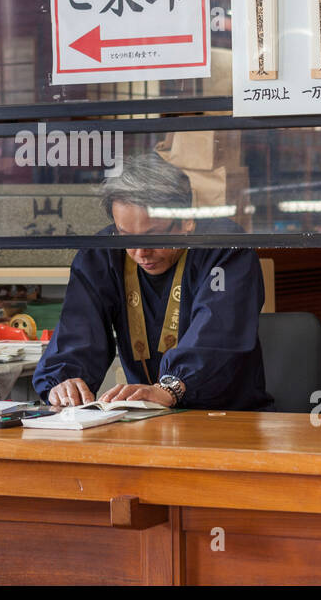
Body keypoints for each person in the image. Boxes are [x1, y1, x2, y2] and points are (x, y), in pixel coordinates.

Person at [32, 152, 272, 411]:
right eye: (126, 236)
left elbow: (219, 333)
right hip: (144, 417)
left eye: (153, 236)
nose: (140, 252)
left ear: (186, 220)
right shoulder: (103, 254)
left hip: (228, 416)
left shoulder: (224, 249)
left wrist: (171, 387)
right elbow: (79, 329)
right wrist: (65, 380)